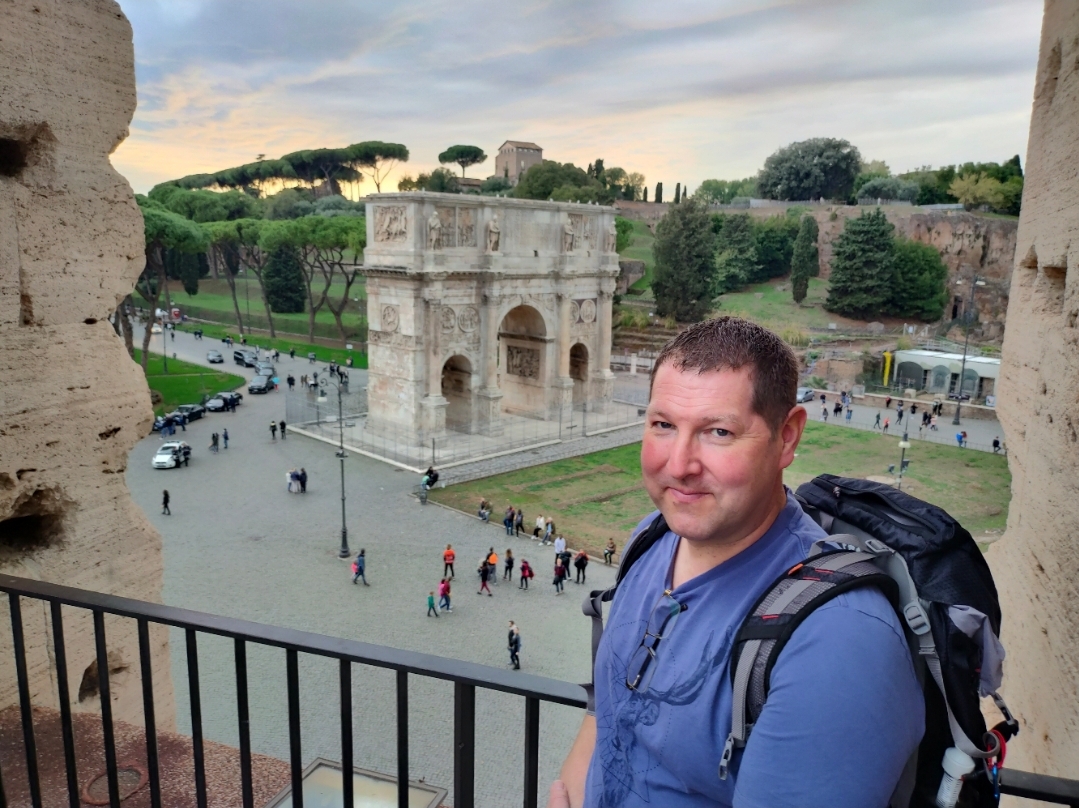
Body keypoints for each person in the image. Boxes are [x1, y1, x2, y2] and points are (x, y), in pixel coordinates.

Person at [549, 317, 921, 808]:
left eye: (718, 431)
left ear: (787, 437)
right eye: (662, 425)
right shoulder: (651, 537)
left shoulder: (841, 641)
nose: (678, 464)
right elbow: (611, 707)